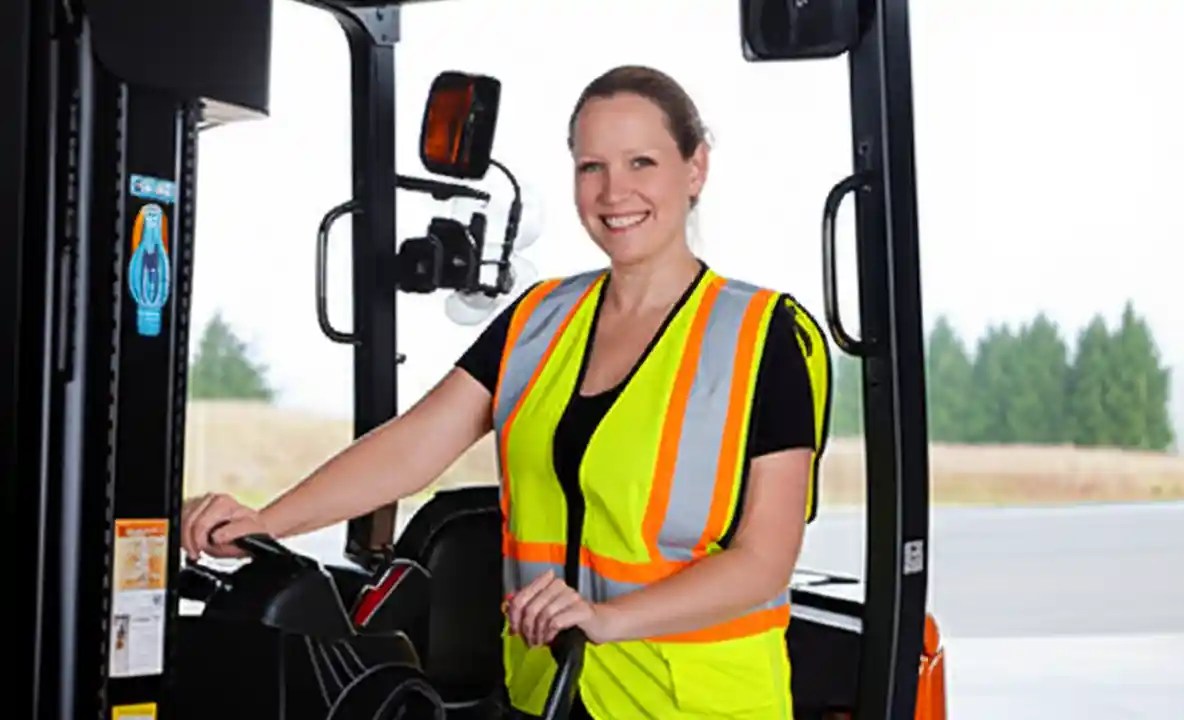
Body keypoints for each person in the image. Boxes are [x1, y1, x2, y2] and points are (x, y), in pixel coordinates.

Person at [181, 64, 832, 719]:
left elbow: (763, 562)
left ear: (695, 169)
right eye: (591, 167)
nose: (614, 192)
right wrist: (269, 521)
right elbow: (414, 446)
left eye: (642, 162)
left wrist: (608, 618)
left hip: (694, 704)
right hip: (547, 693)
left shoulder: (763, 338)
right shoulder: (539, 319)